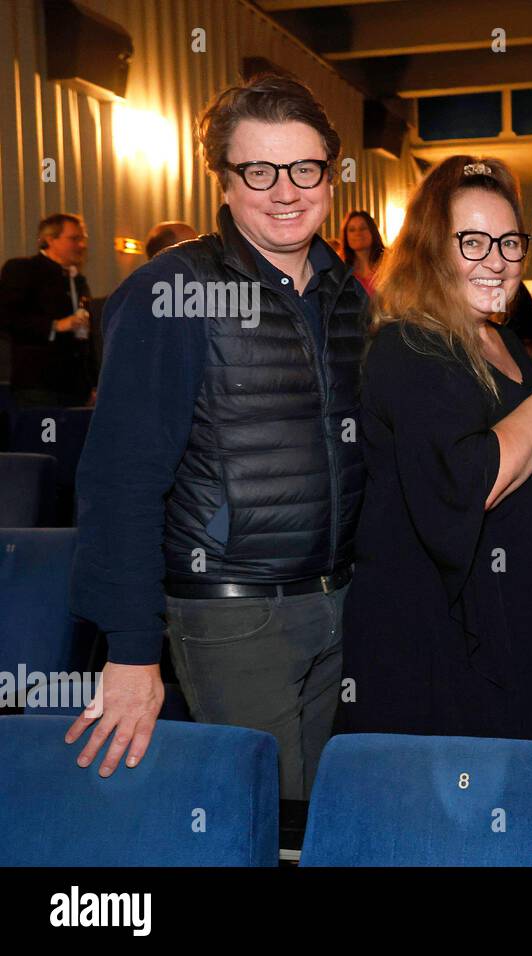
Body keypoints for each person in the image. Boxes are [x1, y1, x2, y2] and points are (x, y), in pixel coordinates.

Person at [68, 73, 368, 801]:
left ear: (330, 174)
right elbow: (121, 480)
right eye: (257, 170)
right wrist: (133, 654)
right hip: (234, 613)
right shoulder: (173, 291)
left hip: (343, 602)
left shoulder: (346, 292)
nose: (285, 189)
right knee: (265, 816)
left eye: (305, 168)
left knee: (325, 816)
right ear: (224, 181)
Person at [335, 157, 532, 739]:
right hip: (438, 630)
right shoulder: (413, 344)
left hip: (513, 614)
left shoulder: (493, 337)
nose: (496, 260)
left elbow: (520, 451)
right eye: (471, 242)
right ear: (429, 250)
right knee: (448, 814)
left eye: (508, 241)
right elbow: (472, 481)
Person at [0, 213, 96, 406]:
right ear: (50, 239)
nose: (82, 245)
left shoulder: (78, 280)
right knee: (44, 436)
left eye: (83, 239)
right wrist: (55, 326)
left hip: (76, 388)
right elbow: (8, 317)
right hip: (39, 385)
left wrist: (92, 383)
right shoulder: (23, 269)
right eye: (74, 239)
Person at [342, 209, 385, 294]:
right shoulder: (341, 272)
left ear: (373, 231)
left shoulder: (388, 265)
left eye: (363, 228)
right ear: (346, 236)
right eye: (352, 230)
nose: (358, 233)